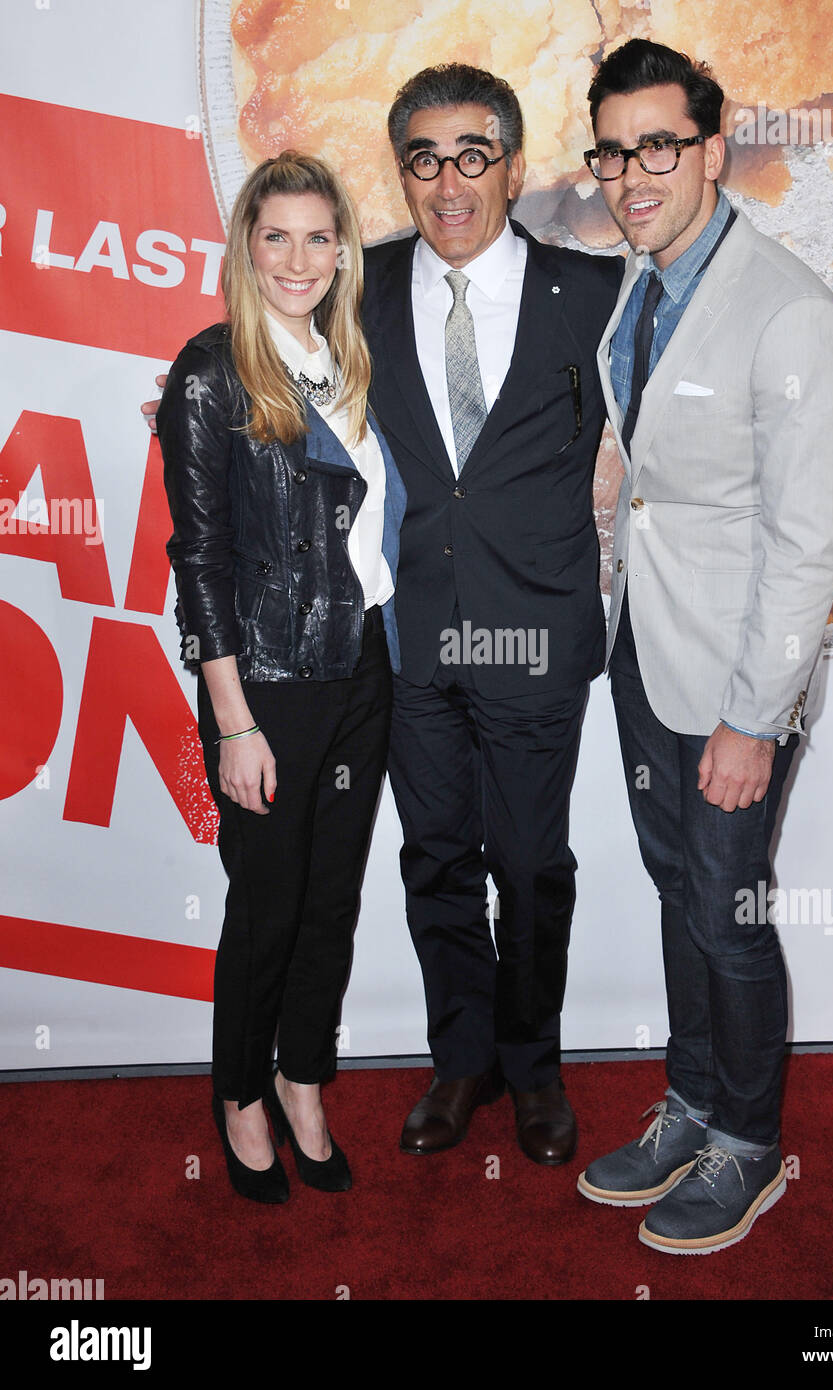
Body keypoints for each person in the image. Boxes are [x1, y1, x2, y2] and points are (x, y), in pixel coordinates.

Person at [575, 40, 833, 1251]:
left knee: (730, 912)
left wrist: (755, 717)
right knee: (678, 892)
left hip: (738, 683)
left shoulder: (788, 308)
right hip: (645, 651)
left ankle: (749, 1140)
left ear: (714, 143)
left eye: (658, 145)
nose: (632, 174)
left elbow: (807, 542)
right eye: (613, 150)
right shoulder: (643, 281)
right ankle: (692, 1103)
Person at [362, 66, 622, 1165]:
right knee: (434, 858)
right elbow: (257, 352)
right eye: (424, 158)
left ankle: (535, 1066)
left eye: (474, 154)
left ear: (514, 166)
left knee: (531, 865)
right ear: (404, 174)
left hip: (535, 638)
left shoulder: (596, 291)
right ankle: (460, 1060)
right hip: (413, 641)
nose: (449, 181)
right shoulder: (356, 286)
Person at [157, 151, 405, 1203]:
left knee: (332, 901)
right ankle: (242, 1094)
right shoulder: (212, 371)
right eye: (276, 237)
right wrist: (233, 722)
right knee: (265, 905)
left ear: (341, 248)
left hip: (363, 668)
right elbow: (199, 561)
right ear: (245, 249)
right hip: (265, 683)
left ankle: (305, 1077)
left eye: (318, 236)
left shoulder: (350, 363)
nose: (298, 258)